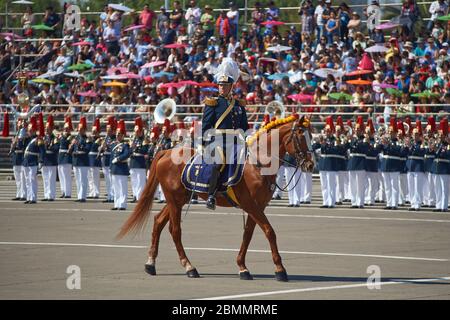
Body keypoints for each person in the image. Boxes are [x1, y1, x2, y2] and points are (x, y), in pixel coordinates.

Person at [201, 62, 249, 210]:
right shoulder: (213, 103)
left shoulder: (238, 104)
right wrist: (207, 142)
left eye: (225, 85)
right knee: (219, 162)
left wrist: (245, 138)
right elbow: (206, 126)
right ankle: (211, 195)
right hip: (218, 141)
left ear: (231, 87)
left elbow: (244, 126)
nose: (222, 87)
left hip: (236, 141)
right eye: (220, 85)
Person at [346, 116, 368, 209]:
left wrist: (354, 141)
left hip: (360, 163)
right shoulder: (353, 139)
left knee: (360, 185)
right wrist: (347, 140)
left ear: (362, 130)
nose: (356, 130)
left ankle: (360, 202)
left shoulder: (364, 139)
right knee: (353, 184)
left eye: (358, 129)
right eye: (355, 129)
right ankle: (354, 201)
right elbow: (345, 148)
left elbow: (363, 148)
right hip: (352, 163)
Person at [110, 119, 131, 211]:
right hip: (115, 169)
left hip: (122, 169)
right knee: (116, 188)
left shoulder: (125, 145)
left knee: (122, 187)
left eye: (119, 135)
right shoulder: (113, 145)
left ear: (123, 136)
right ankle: (117, 204)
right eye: (117, 134)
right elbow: (111, 157)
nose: (117, 136)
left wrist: (118, 159)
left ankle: (122, 204)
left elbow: (127, 154)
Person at [22, 116, 43, 204]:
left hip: (33, 162)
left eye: (31, 131)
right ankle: (29, 197)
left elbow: (42, 151)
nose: (29, 132)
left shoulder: (38, 139)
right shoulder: (28, 139)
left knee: (32, 180)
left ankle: (33, 198)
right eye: (29, 131)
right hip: (26, 162)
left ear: (34, 131)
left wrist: (41, 161)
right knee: (27, 180)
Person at [406, 122, 426, 211]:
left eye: (416, 134)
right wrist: (406, 146)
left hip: (418, 167)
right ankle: (413, 203)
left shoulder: (421, 143)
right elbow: (403, 153)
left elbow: (421, 152)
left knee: (418, 187)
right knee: (411, 187)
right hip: (410, 167)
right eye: (413, 134)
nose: (415, 135)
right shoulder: (410, 143)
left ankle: (417, 203)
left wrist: (410, 146)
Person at [431, 118, 450, 212]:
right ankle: (438, 205)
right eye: (439, 135)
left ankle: (444, 206)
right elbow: (433, 153)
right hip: (437, 168)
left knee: (444, 189)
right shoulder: (438, 144)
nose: (440, 137)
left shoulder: (447, 145)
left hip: (444, 169)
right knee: (437, 188)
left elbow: (447, 155)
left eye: (442, 135)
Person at [70, 116, 89, 203]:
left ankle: (83, 196)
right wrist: (71, 146)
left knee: (83, 180)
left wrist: (79, 145)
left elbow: (87, 149)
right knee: (77, 180)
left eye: (81, 129)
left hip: (83, 161)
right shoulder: (76, 138)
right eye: (79, 129)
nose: (79, 130)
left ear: (84, 130)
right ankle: (79, 195)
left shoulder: (87, 139)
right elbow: (74, 149)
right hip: (76, 161)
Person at [129, 117, 148, 202]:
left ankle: (140, 197)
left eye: (138, 132)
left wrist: (135, 148)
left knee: (141, 182)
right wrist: (131, 146)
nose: (136, 133)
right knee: (134, 181)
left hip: (140, 163)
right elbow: (129, 150)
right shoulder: (133, 139)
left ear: (141, 131)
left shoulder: (144, 140)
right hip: (133, 162)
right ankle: (135, 195)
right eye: (135, 131)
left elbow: (144, 150)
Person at [41, 115, 59, 201]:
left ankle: (51, 196)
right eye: (45, 128)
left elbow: (56, 148)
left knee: (51, 179)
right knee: (45, 179)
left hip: (51, 160)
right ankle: (46, 195)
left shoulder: (54, 138)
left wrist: (48, 146)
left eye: (48, 128)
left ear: (51, 128)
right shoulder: (44, 137)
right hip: (45, 160)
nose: (46, 129)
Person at [10, 118, 27, 201]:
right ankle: (18, 194)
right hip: (16, 158)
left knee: (22, 178)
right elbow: (13, 147)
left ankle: (23, 195)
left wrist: (18, 141)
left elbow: (23, 146)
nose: (19, 125)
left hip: (21, 157)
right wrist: (13, 144)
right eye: (18, 124)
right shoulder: (15, 135)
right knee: (17, 179)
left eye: (21, 124)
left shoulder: (24, 135)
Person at [101, 116, 116, 203]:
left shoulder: (114, 138)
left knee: (111, 179)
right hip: (105, 159)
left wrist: (106, 147)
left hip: (110, 159)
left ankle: (113, 196)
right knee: (107, 180)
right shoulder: (106, 137)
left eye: (109, 129)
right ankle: (109, 196)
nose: (107, 130)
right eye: (107, 128)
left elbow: (113, 149)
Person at [57, 116, 73, 199]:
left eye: (67, 129)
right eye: (65, 128)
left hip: (66, 157)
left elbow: (69, 145)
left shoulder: (70, 137)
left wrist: (63, 137)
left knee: (66, 176)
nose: (66, 130)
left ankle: (68, 193)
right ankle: (63, 191)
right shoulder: (62, 136)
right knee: (61, 176)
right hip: (61, 157)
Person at [87, 118, 102, 199]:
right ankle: (91, 192)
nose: (93, 133)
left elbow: (96, 148)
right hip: (89, 158)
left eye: (95, 132)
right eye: (92, 132)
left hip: (95, 159)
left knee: (95, 177)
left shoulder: (99, 139)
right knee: (90, 177)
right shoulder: (91, 139)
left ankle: (96, 192)